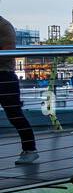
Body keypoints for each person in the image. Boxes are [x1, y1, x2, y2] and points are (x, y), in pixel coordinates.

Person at [0, 11, 39, 165]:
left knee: (15, 115)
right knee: (14, 114)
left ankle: (30, 149)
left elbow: (8, 52)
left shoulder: (4, 26)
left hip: (4, 76)